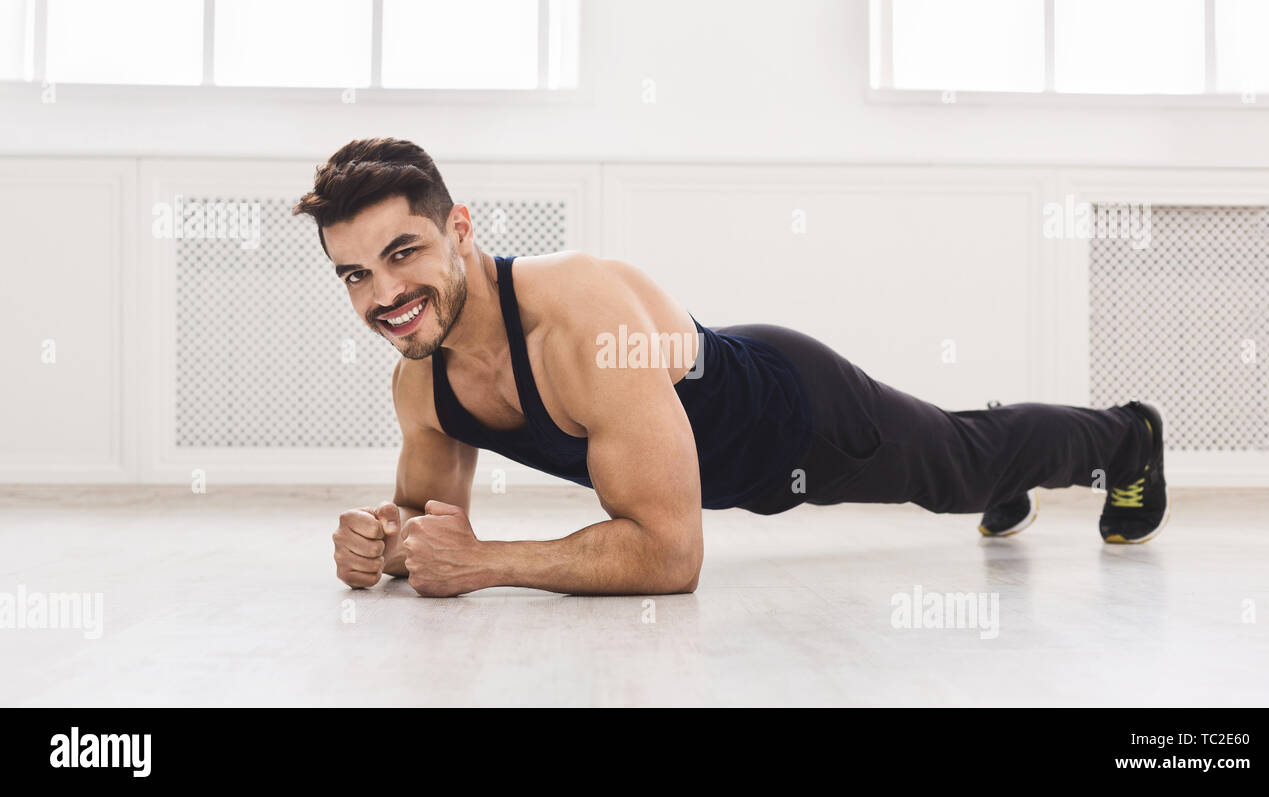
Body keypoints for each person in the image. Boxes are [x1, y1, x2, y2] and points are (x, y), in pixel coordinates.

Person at [295, 138, 1170, 598]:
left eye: (402, 251)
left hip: (797, 412)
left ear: (462, 232)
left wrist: (489, 563)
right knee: (963, 453)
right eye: (355, 274)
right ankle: (999, 469)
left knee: (958, 463)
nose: (385, 294)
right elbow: (424, 532)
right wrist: (378, 546)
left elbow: (672, 556)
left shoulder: (578, 315)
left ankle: (1126, 437)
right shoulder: (422, 382)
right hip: (724, 412)